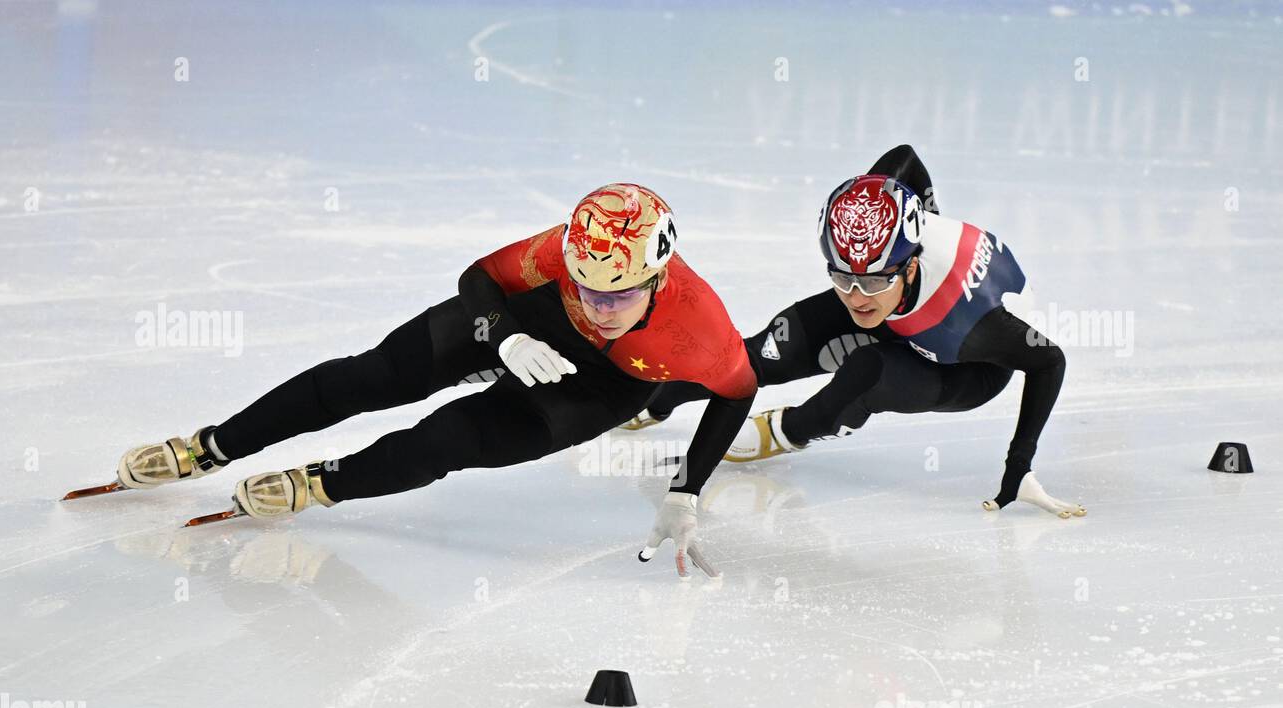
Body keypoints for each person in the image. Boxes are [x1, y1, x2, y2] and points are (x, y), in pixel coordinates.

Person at [112, 184, 757, 576]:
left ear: (657, 279)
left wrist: (684, 492)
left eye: (617, 297)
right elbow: (479, 278)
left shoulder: (697, 327)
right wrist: (504, 335)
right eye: (584, 287)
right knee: (375, 377)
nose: (596, 306)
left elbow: (738, 389)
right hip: (526, 321)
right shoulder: (562, 251)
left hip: (607, 382)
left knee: (449, 439)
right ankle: (214, 446)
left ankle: (320, 485)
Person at [628, 146, 1085, 519]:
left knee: (867, 372)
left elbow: (1050, 361)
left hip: (962, 366)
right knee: (757, 357)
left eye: (869, 282)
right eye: (840, 277)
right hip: (903, 307)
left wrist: (1018, 465)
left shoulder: (973, 321)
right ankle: (655, 401)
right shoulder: (877, 255)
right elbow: (905, 158)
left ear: (910, 265)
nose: (854, 296)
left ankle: (787, 430)